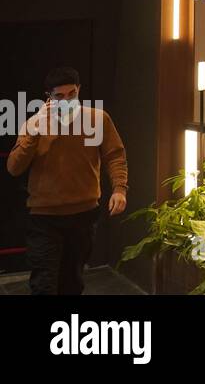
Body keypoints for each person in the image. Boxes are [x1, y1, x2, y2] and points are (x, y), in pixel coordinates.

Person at [4, 67, 128, 295]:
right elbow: (14, 167)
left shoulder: (97, 118)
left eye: (71, 94)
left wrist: (119, 189)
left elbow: (114, 154)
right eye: (59, 96)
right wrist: (35, 131)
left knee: (72, 281)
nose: (67, 100)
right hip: (44, 216)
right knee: (44, 284)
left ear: (79, 90)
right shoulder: (34, 124)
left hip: (84, 212)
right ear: (49, 97)